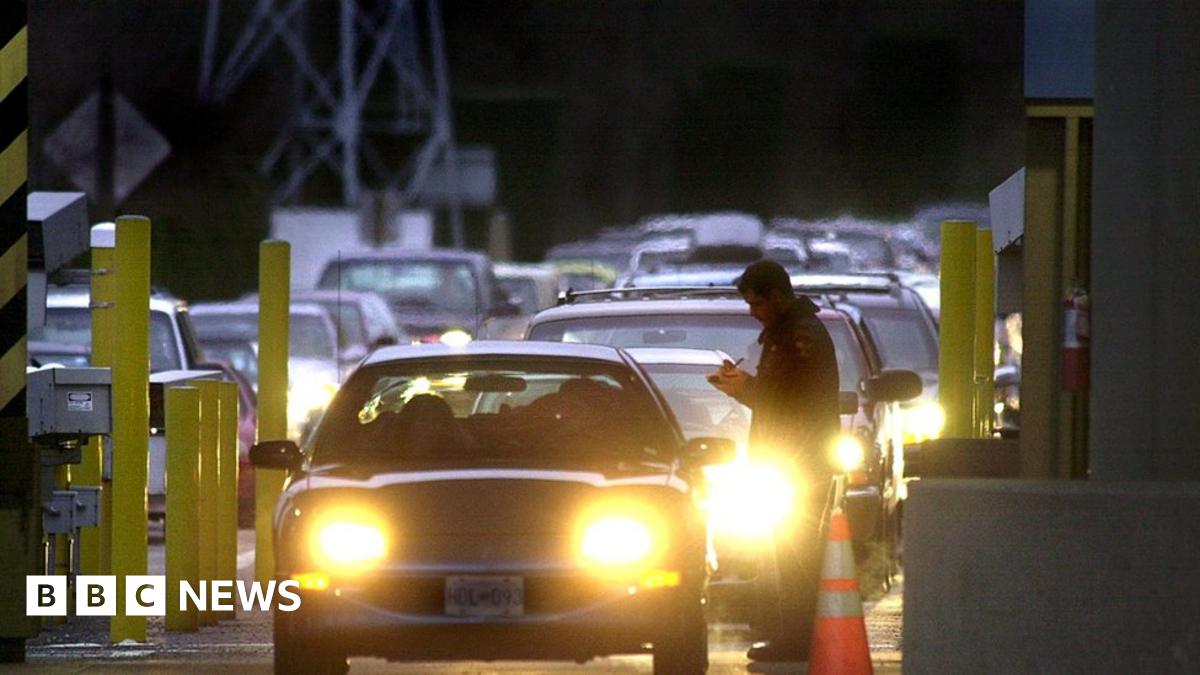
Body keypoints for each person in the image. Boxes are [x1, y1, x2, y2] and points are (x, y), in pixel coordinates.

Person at [709, 259, 841, 663]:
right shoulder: (785, 334)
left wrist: (744, 388)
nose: (753, 312)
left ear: (778, 297)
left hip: (800, 464)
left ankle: (798, 640)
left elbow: (789, 400)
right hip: (788, 461)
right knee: (789, 555)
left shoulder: (801, 337)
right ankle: (796, 636)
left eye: (757, 303)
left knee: (798, 556)